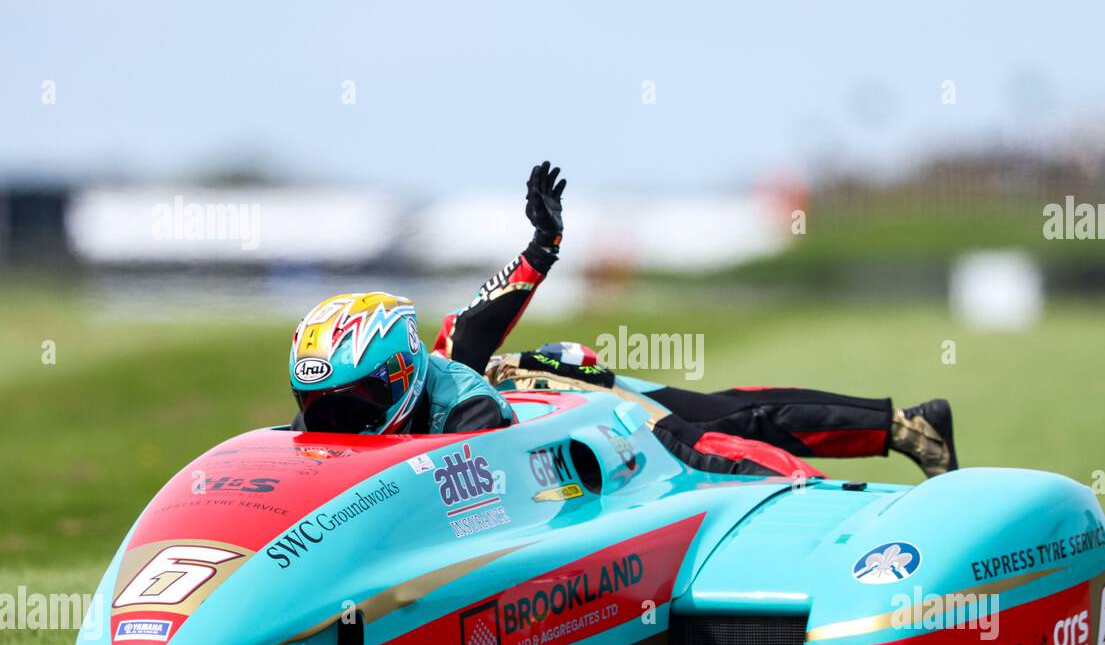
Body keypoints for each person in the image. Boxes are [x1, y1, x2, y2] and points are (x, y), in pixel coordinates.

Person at [288, 161, 958, 478]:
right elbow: (479, 321)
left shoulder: (464, 404)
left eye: (356, 401)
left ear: (400, 377)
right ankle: (904, 426)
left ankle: (881, 450)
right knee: (727, 413)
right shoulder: (339, 419)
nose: (336, 423)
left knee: (717, 432)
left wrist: (543, 245)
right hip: (538, 383)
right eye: (321, 406)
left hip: (576, 401)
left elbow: (476, 336)